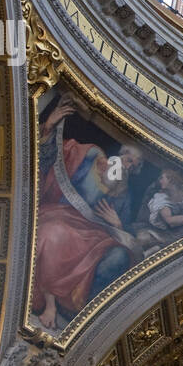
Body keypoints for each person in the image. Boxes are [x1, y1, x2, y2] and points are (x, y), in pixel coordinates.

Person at [30, 97, 145, 328]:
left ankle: (76, 315)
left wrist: (118, 224)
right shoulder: (89, 155)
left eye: (134, 165)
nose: (128, 165)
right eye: (127, 158)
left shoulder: (124, 193)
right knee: (52, 233)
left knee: (119, 257)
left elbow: (123, 226)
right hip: (61, 213)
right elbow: (53, 157)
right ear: (118, 154)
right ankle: (49, 304)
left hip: (95, 232)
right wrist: (50, 126)